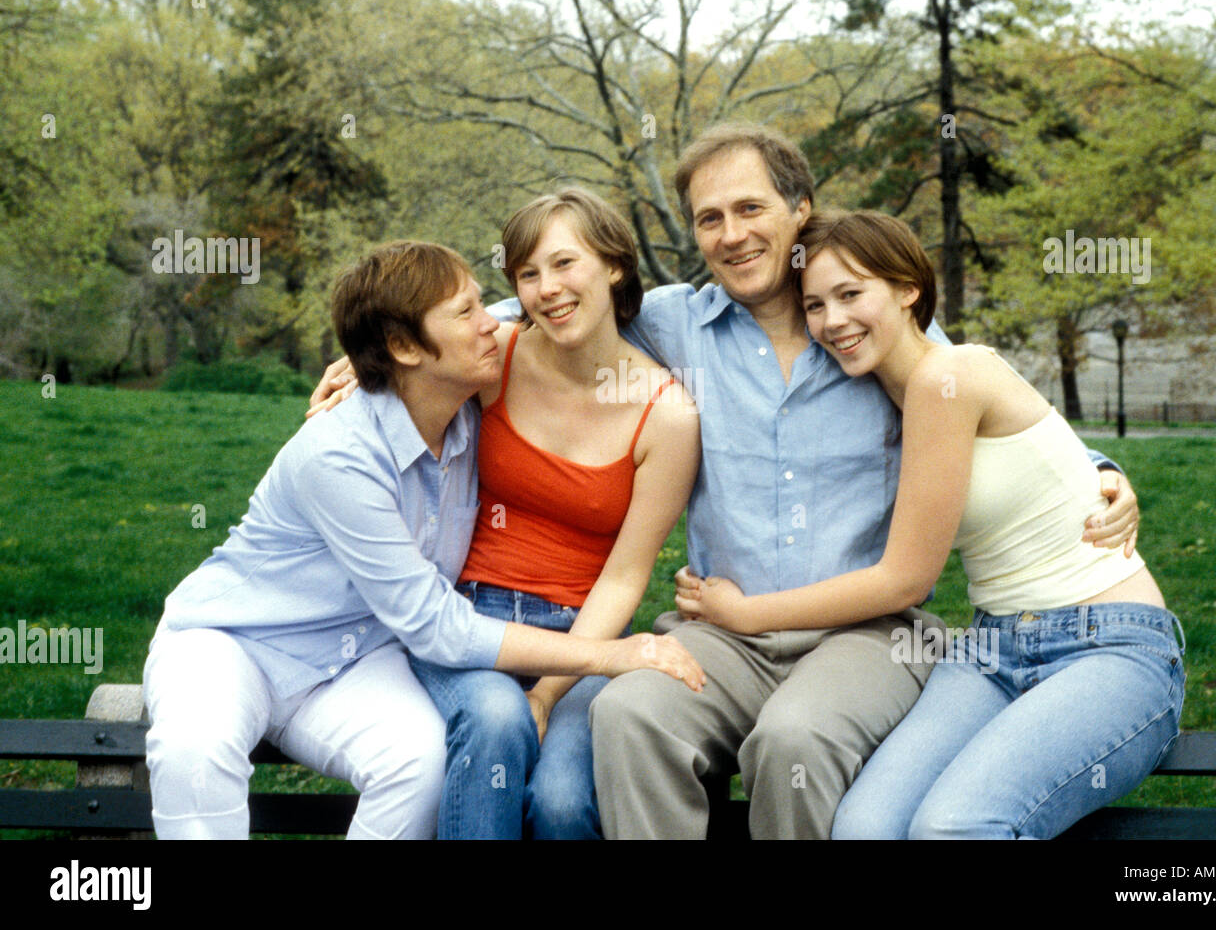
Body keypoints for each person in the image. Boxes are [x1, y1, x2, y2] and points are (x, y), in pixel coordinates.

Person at [313, 125, 1141, 840]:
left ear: (799, 212)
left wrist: (1102, 474)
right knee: (630, 713)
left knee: (795, 739)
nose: (731, 233)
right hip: (721, 628)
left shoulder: (861, 319)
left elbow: (996, 411)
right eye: (710, 218)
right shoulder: (674, 320)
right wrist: (382, 350)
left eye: (750, 209)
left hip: (866, 633)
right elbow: (549, 298)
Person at [144, 240, 703, 839]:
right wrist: (611, 653)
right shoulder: (337, 452)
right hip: (237, 641)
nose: (494, 318)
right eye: (468, 313)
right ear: (406, 348)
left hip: (355, 659)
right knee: (193, 751)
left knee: (420, 768)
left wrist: (378, 352)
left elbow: (563, 314)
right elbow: (435, 627)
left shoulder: (462, 406)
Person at [677, 209, 1184, 839]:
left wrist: (747, 614)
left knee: (954, 828)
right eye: (814, 306)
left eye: (851, 294)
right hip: (993, 649)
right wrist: (1104, 468)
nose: (833, 321)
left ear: (909, 289)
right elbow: (1050, 454)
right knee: (863, 828)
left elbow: (904, 581)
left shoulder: (947, 377)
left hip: (1108, 646)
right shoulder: (885, 389)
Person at [308, 190, 701, 839]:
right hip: (465, 616)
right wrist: (364, 357)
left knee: (562, 803)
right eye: (528, 273)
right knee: (494, 719)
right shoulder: (498, 360)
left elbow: (627, 576)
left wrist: (547, 692)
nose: (547, 289)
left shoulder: (667, 413)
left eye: (565, 263)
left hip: (582, 638)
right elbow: (422, 346)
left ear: (613, 265)